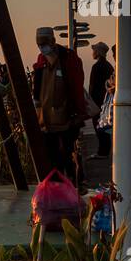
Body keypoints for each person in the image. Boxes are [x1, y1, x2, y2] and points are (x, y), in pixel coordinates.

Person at [32, 27, 88, 188]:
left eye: (44, 43)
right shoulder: (41, 61)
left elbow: (76, 86)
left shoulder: (68, 58)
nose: (42, 47)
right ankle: (57, 187)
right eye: (39, 44)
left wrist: (78, 112)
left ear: (53, 41)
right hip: (46, 120)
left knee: (67, 154)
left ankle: (73, 184)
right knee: (52, 155)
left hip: (67, 116)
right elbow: (38, 90)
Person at [88, 41, 113, 159]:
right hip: (106, 101)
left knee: (98, 126)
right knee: (105, 126)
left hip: (97, 102)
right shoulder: (108, 66)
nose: (92, 52)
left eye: (94, 50)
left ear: (98, 52)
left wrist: (89, 101)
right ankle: (104, 150)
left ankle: (102, 152)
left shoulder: (96, 66)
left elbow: (92, 87)